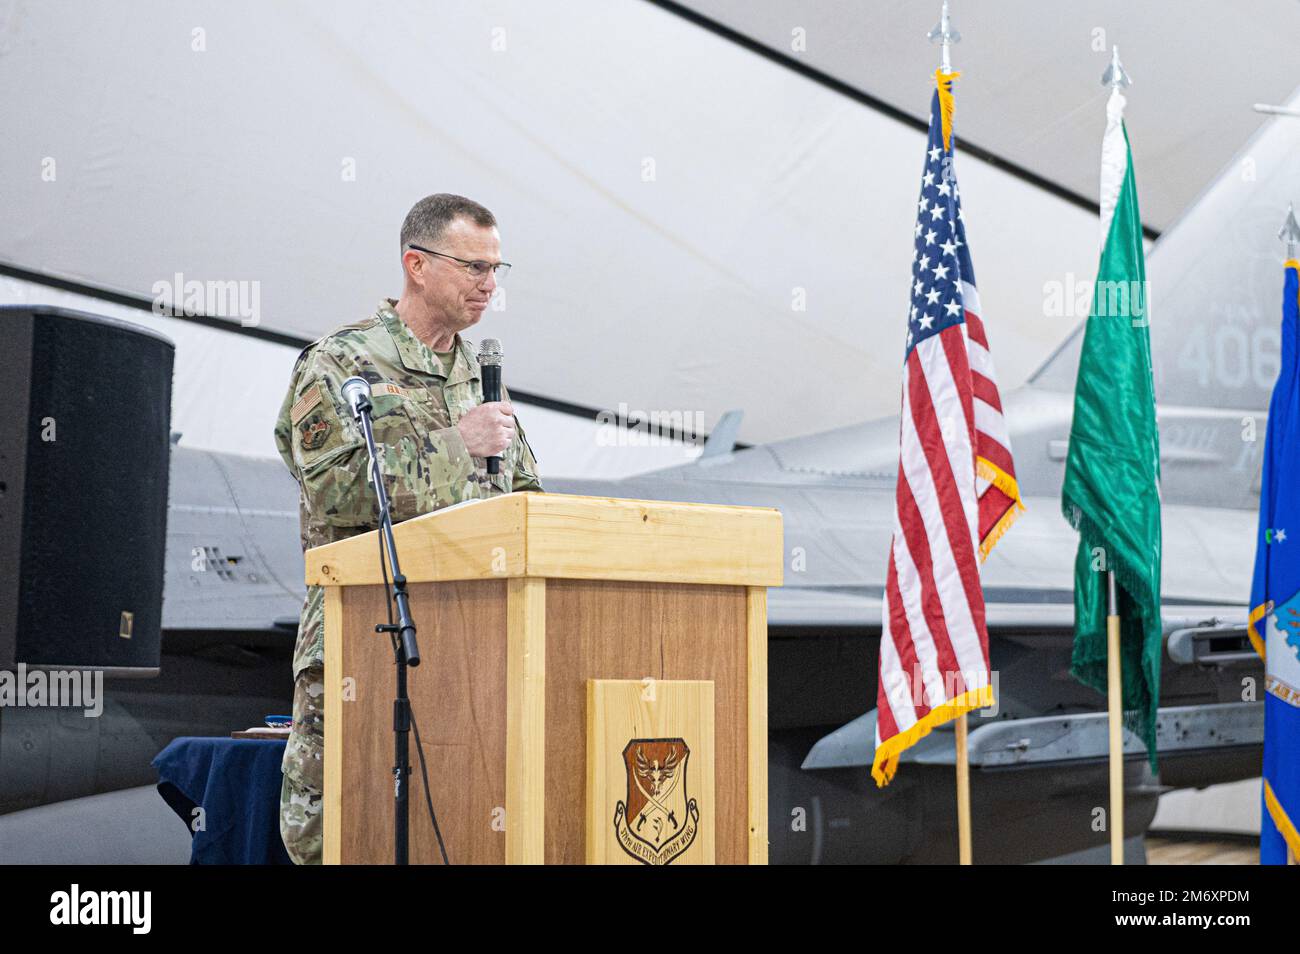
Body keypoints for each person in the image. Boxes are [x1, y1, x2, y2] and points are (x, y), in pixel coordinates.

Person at [272, 193, 542, 864]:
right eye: (473, 267)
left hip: (474, 646)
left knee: (455, 818)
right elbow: (333, 487)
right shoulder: (339, 363)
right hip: (360, 635)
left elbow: (527, 500)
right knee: (333, 826)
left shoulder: (482, 380)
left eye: (496, 269)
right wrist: (458, 444)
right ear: (416, 265)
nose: (488, 284)